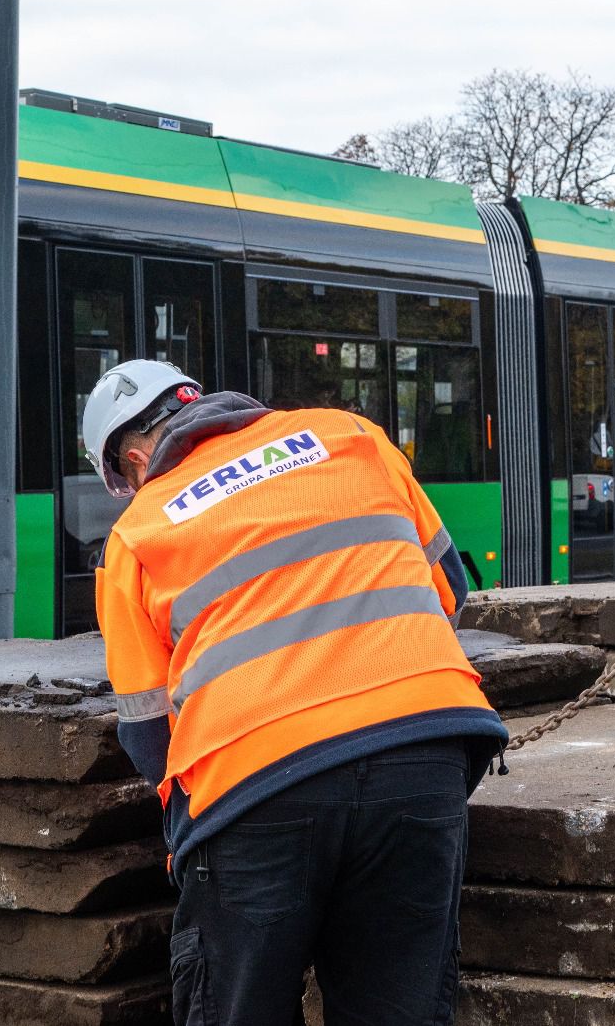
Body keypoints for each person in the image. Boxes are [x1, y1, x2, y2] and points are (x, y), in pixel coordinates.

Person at [88, 360, 506, 1025]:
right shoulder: (349, 435)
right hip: (423, 751)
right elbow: (447, 589)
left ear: (136, 460)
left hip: (255, 789)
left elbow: (148, 732)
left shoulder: (136, 534)